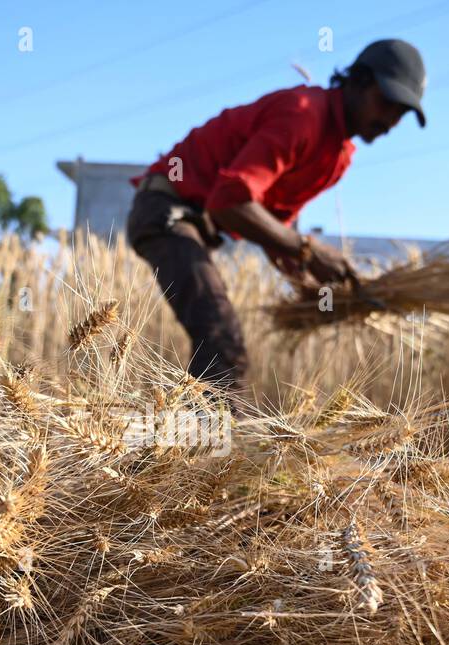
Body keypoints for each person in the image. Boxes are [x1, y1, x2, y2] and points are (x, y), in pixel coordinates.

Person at [126, 39, 427, 392]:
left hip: (195, 222)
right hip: (167, 210)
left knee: (219, 341)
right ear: (358, 81)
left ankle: (190, 441)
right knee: (221, 339)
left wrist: (308, 288)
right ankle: (206, 445)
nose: (391, 120)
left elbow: (273, 224)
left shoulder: (338, 157)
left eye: (402, 113)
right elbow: (228, 203)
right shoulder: (303, 113)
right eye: (387, 103)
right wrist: (310, 249)